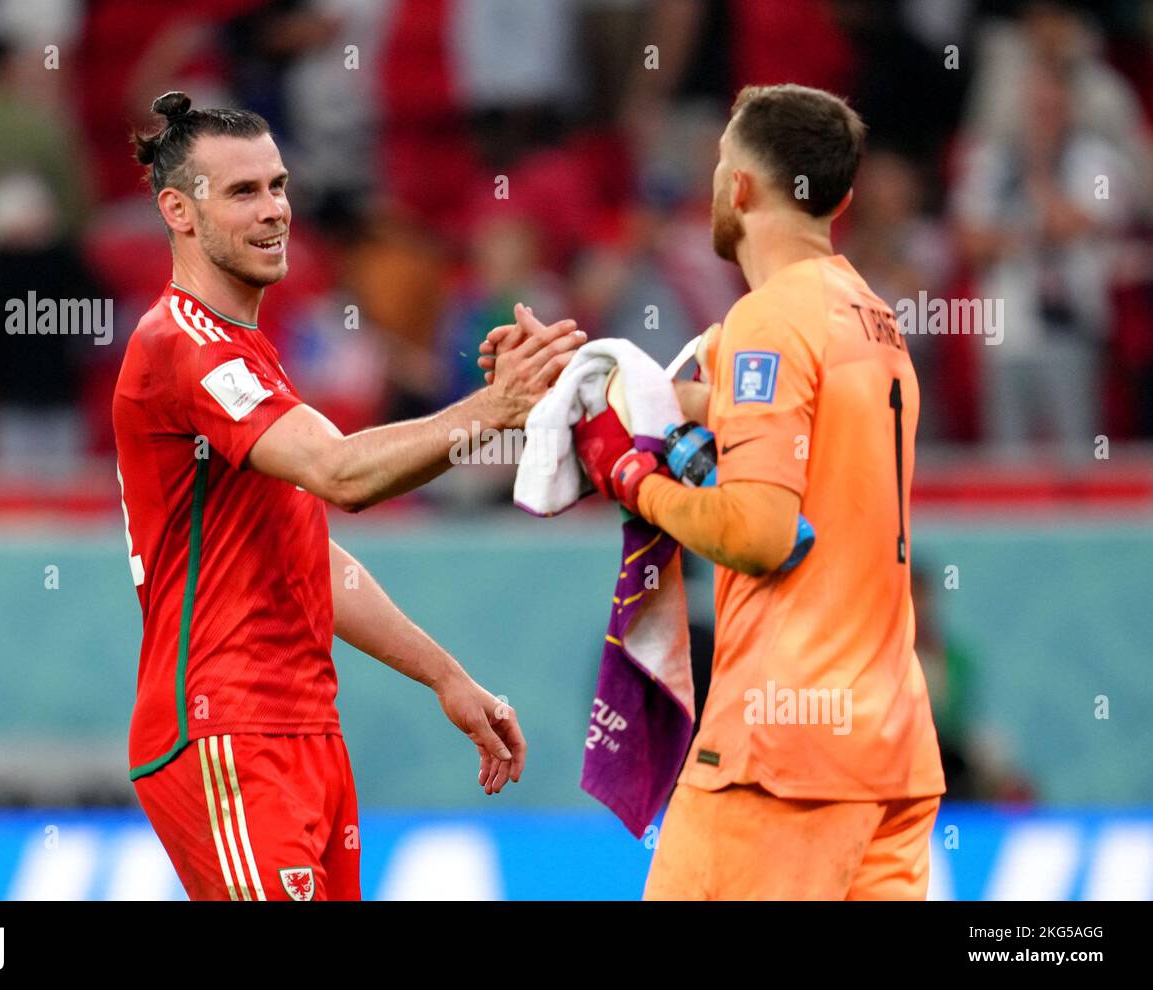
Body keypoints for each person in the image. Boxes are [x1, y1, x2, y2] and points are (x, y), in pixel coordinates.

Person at [113, 91, 584, 901]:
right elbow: (343, 474)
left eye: (279, 186)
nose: (274, 212)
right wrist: (494, 411)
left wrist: (445, 676)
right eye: (243, 192)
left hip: (303, 733)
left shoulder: (249, 356)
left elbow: (305, 555)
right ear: (177, 212)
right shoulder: (180, 347)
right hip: (226, 727)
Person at [484, 83, 946, 900]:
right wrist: (580, 379)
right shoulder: (868, 316)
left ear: (739, 187)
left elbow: (760, 534)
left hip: (784, 751)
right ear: (837, 196)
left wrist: (634, 480)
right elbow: (736, 415)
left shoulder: (769, 322)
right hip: (888, 751)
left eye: (718, 167)